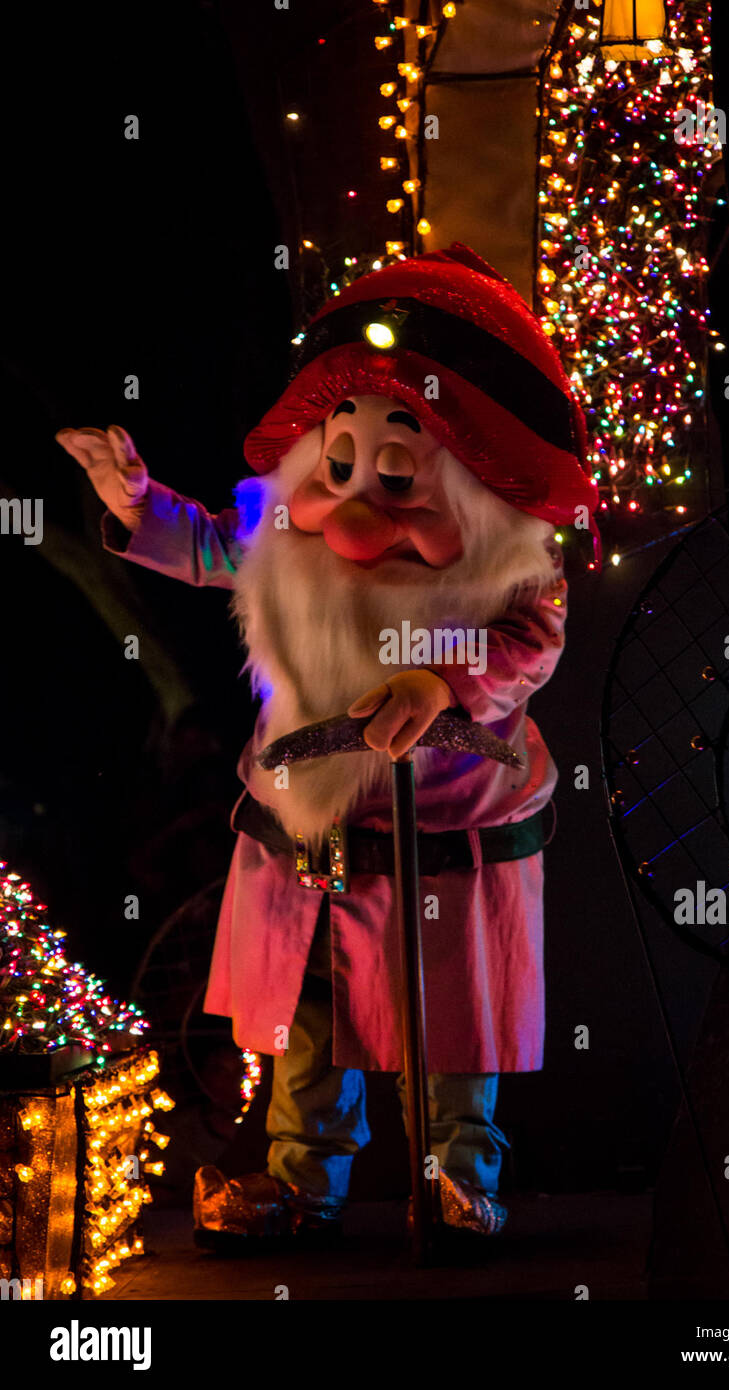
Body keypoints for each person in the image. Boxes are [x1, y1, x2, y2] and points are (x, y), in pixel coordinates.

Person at [56, 244, 598, 1246]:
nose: (351, 494)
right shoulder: (290, 544)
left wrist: (437, 682)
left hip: (444, 834)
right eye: (339, 458)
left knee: (452, 1018)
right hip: (312, 834)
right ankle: (303, 1181)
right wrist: (135, 502)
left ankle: (458, 1177)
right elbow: (217, 545)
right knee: (311, 1015)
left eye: (394, 466)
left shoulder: (505, 561)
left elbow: (531, 642)